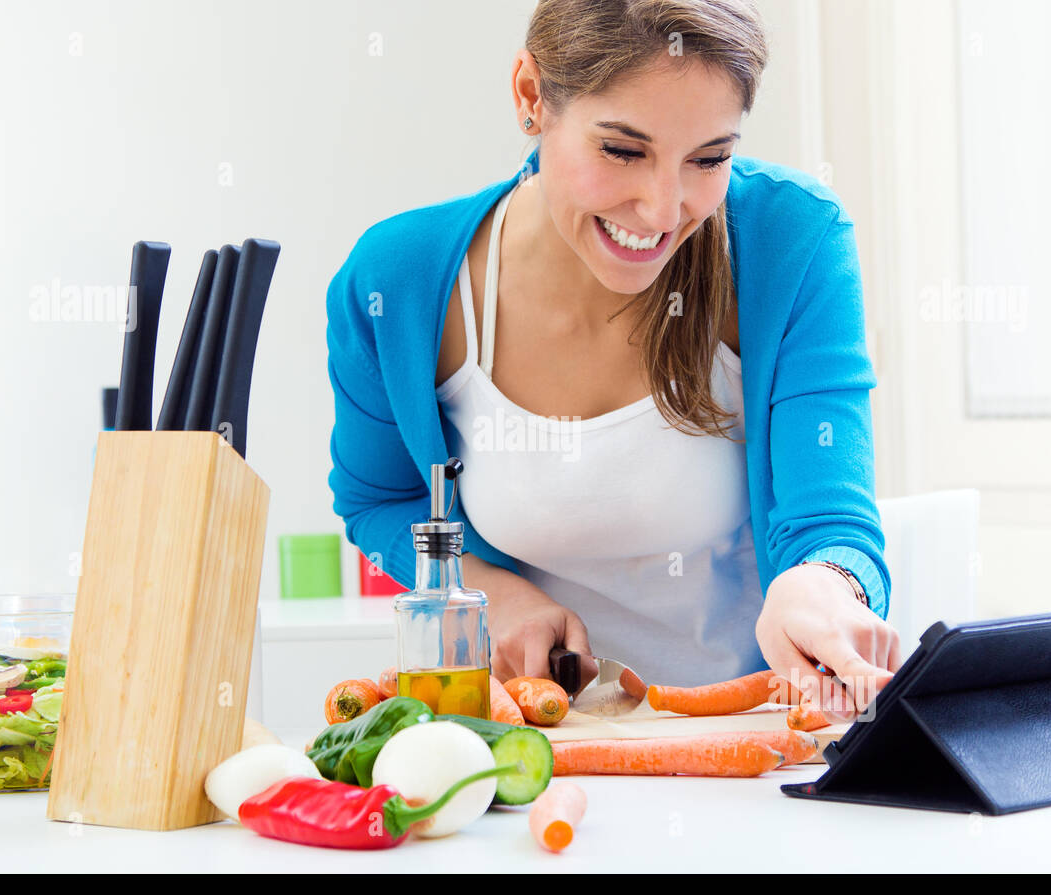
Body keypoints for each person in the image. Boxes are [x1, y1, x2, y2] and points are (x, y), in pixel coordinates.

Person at [325, 0, 899, 720]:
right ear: (532, 97)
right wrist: (491, 593)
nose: (664, 210)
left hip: (765, 734)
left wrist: (822, 584)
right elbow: (379, 497)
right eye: (623, 151)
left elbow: (832, 520)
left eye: (710, 158)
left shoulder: (793, 239)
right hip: (546, 748)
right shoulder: (398, 281)